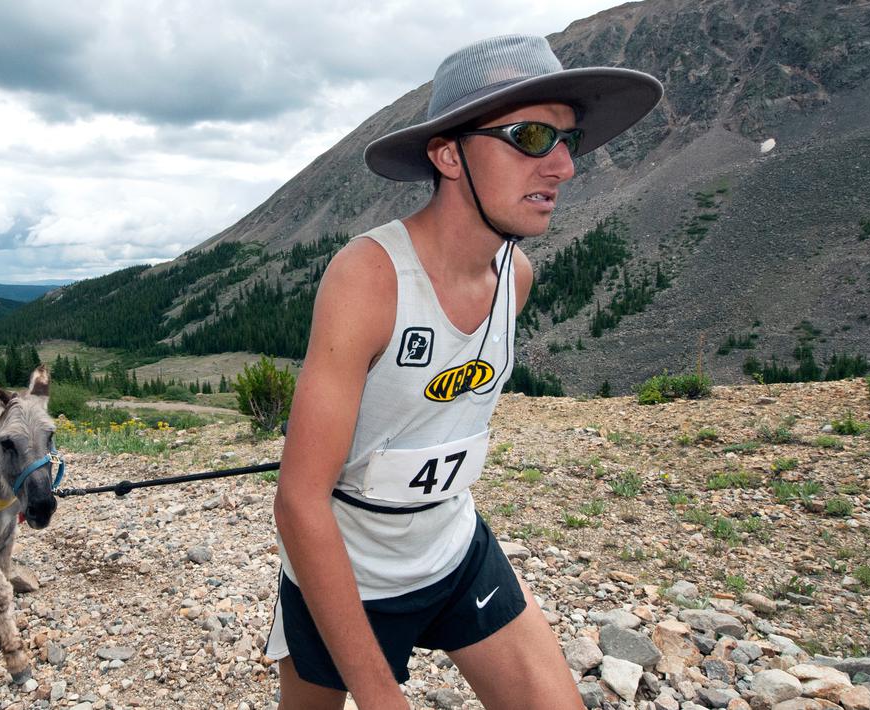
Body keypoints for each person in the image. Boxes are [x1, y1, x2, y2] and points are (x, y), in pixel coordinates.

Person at [267, 35, 662, 709]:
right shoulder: (369, 277)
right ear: (449, 154)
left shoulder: (517, 277)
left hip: (452, 547)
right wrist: (378, 696)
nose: (564, 166)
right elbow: (300, 500)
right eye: (532, 136)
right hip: (347, 567)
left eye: (567, 139)